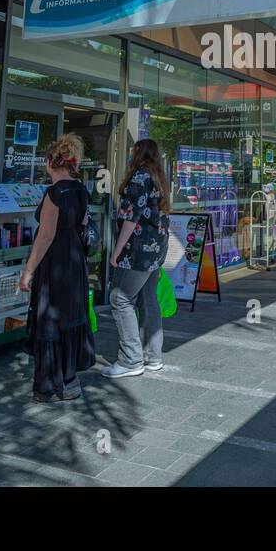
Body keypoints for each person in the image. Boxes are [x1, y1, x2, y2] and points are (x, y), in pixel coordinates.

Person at [19, 135, 96, 403]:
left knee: (50, 318)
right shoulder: (80, 190)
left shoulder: (54, 193)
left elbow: (46, 236)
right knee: (69, 318)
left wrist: (28, 270)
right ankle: (70, 380)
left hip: (54, 265)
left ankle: (49, 386)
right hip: (75, 262)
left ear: (52, 162)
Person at [103, 139, 170, 379]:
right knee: (148, 298)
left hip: (137, 251)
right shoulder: (159, 178)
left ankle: (131, 359)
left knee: (120, 298)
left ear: (138, 154)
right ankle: (153, 357)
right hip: (156, 250)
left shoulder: (139, 178)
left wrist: (117, 249)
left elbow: (132, 217)